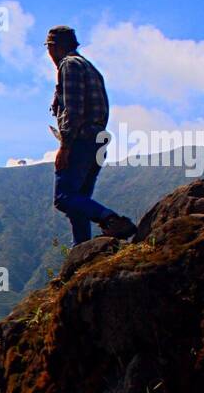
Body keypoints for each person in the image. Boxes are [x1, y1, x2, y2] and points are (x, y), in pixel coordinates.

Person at [46, 26, 137, 245]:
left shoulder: (69, 66)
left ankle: (111, 219)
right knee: (80, 203)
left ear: (55, 47)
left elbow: (74, 109)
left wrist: (65, 145)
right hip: (97, 141)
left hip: (81, 140)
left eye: (49, 47)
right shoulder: (90, 68)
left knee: (64, 198)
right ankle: (83, 251)